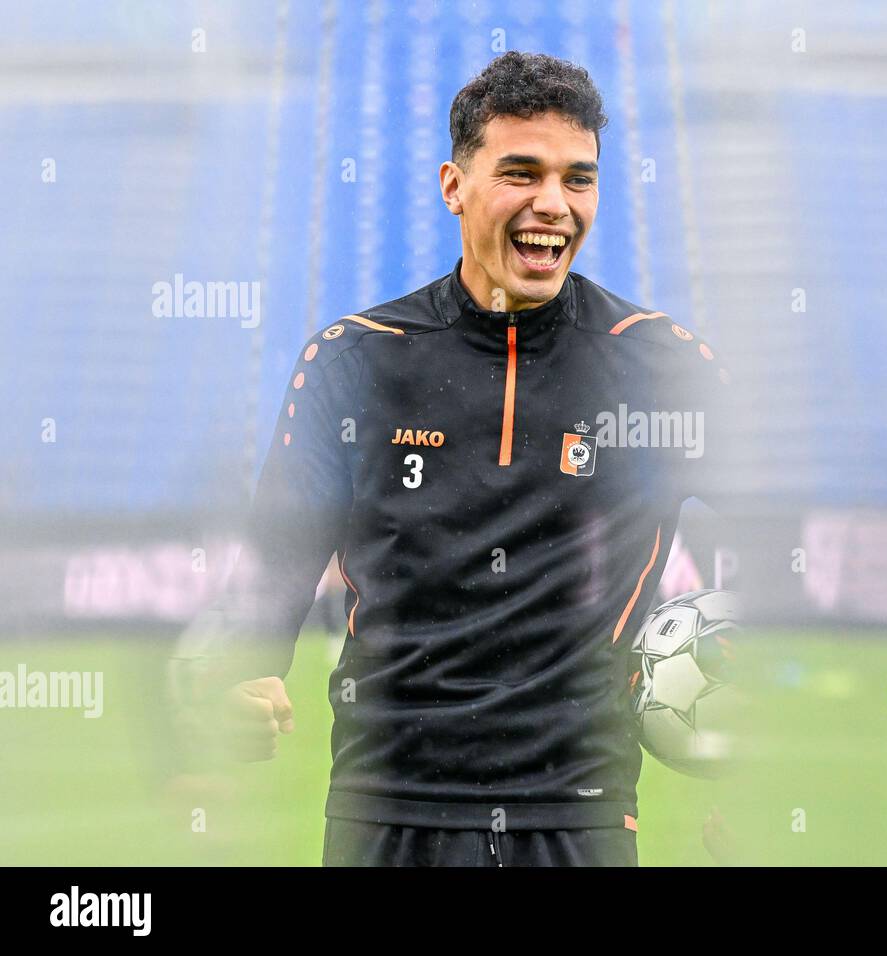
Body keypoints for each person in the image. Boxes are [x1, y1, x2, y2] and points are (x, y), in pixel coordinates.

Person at [187, 51, 733, 867]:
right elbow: (276, 559)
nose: (553, 204)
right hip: (387, 810)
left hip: (579, 816)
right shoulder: (356, 360)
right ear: (454, 186)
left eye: (577, 179)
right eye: (521, 173)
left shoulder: (661, 367)